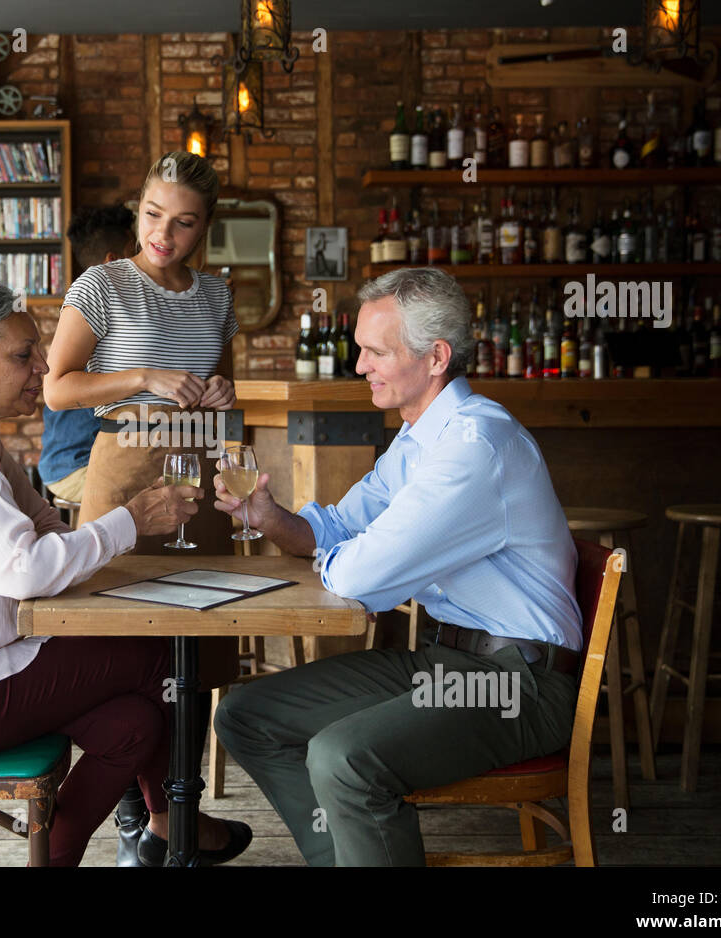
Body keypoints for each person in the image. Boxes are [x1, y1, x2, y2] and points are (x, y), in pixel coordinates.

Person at [0, 281, 251, 867]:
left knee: (132, 725)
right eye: (22, 355)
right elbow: (23, 570)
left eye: (37, 352)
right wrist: (129, 521)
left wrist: (68, 547)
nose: (42, 367)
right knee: (157, 655)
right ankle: (172, 825)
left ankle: (67, 851)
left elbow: (44, 534)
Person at [212, 267, 583, 867]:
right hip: (447, 660)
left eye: (374, 351)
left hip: (520, 682)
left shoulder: (474, 447)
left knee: (344, 758)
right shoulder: (416, 443)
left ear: (435, 357)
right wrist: (270, 517)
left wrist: (350, 556)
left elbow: (363, 578)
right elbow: (338, 528)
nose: (359, 366)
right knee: (247, 715)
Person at [43, 150, 243, 865]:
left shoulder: (216, 297)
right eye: (155, 215)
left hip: (198, 472)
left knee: (196, 651)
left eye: (184, 223)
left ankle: (174, 819)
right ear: (139, 209)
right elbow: (57, 388)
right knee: (123, 650)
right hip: (124, 472)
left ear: (206, 228)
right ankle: (142, 818)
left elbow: (225, 395)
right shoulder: (102, 285)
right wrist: (144, 376)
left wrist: (221, 400)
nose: (165, 233)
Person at [38, 205, 138, 506]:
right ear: (114, 261)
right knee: (179, 487)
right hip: (78, 466)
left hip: (64, 462)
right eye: (136, 251)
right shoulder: (98, 315)